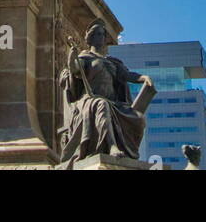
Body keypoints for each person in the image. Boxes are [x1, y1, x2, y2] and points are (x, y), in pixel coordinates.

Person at [58, 21, 154, 168]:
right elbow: (74, 69)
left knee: (138, 118)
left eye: (102, 34)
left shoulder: (112, 62)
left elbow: (127, 75)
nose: (100, 37)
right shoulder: (85, 58)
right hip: (89, 101)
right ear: (89, 38)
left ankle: (129, 154)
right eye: (96, 34)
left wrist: (144, 78)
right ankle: (111, 146)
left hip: (114, 104)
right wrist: (72, 56)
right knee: (101, 105)